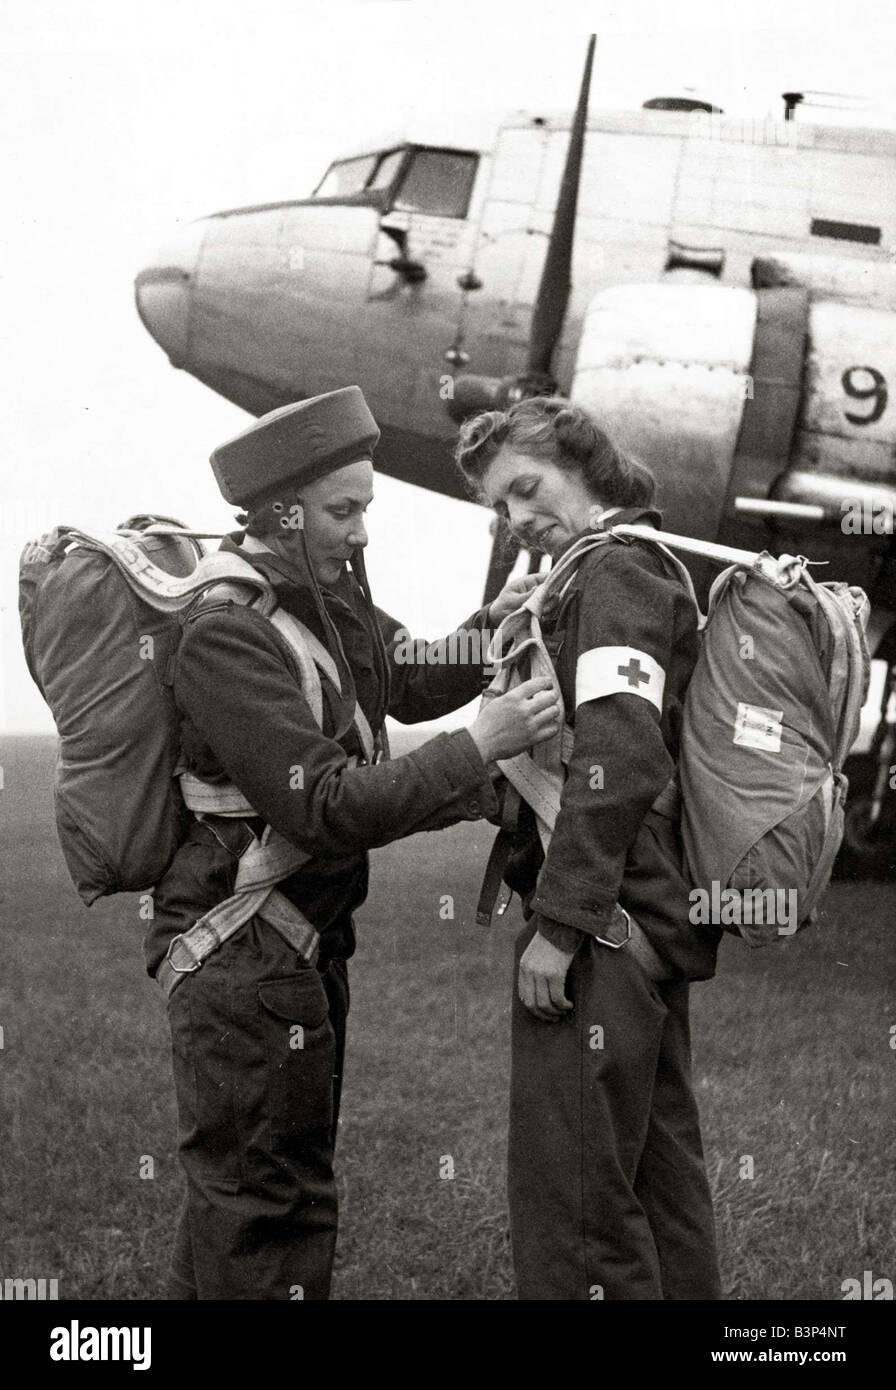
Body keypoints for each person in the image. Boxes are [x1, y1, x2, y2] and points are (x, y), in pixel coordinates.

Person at [148, 385, 561, 1300]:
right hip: (245, 962)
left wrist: (493, 623)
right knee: (269, 1212)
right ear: (281, 514)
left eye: (365, 506)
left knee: (246, 1202)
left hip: (292, 957)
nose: (363, 531)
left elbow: (408, 681)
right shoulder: (227, 633)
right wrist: (482, 744)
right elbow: (324, 806)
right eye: (345, 510)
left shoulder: (323, 604)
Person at [454, 395, 723, 1301]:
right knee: (658, 1179)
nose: (516, 516)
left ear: (585, 465)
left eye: (525, 487)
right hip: (642, 916)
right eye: (499, 506)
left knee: (574, 1206)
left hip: (605, 927)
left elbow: (620, 750)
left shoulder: (613, 574)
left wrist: (562, 926)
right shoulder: (603, 569)